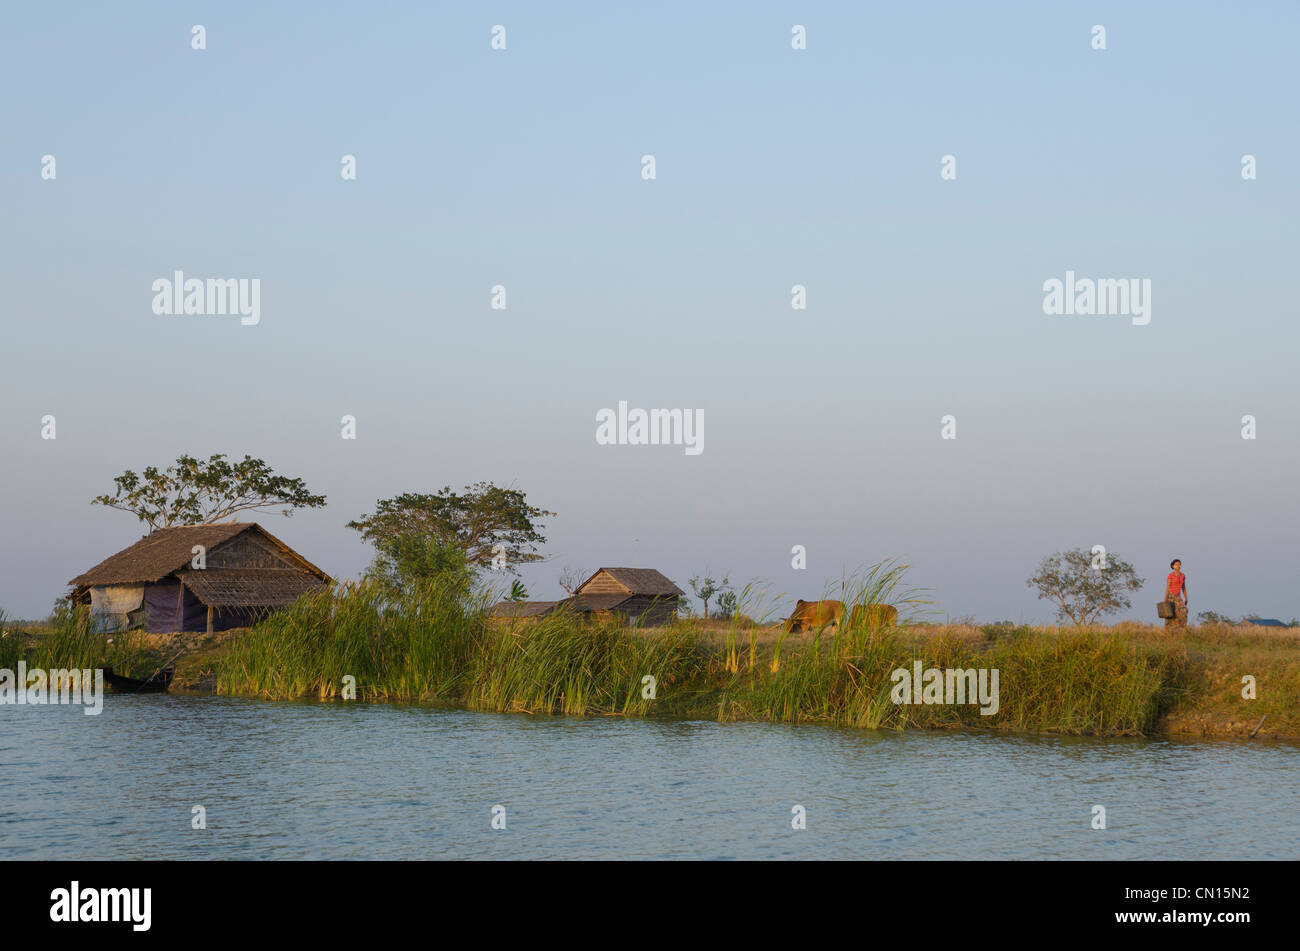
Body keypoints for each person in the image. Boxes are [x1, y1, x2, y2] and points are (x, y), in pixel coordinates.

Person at [1165, 559, 1188, 628]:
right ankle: (1169, 630)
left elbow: (1183, 587)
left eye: (1179, 564)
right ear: (1173, 566)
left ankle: (1181, 628)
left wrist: (1186, 597)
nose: (1178, 566)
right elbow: (1168, 588)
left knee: (1184, 611)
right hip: (1171, 597)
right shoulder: (1170, 576)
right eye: (1176, 564)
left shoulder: (1183, 575)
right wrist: (1165, 599)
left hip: (1178, 598)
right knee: (1171, 615)